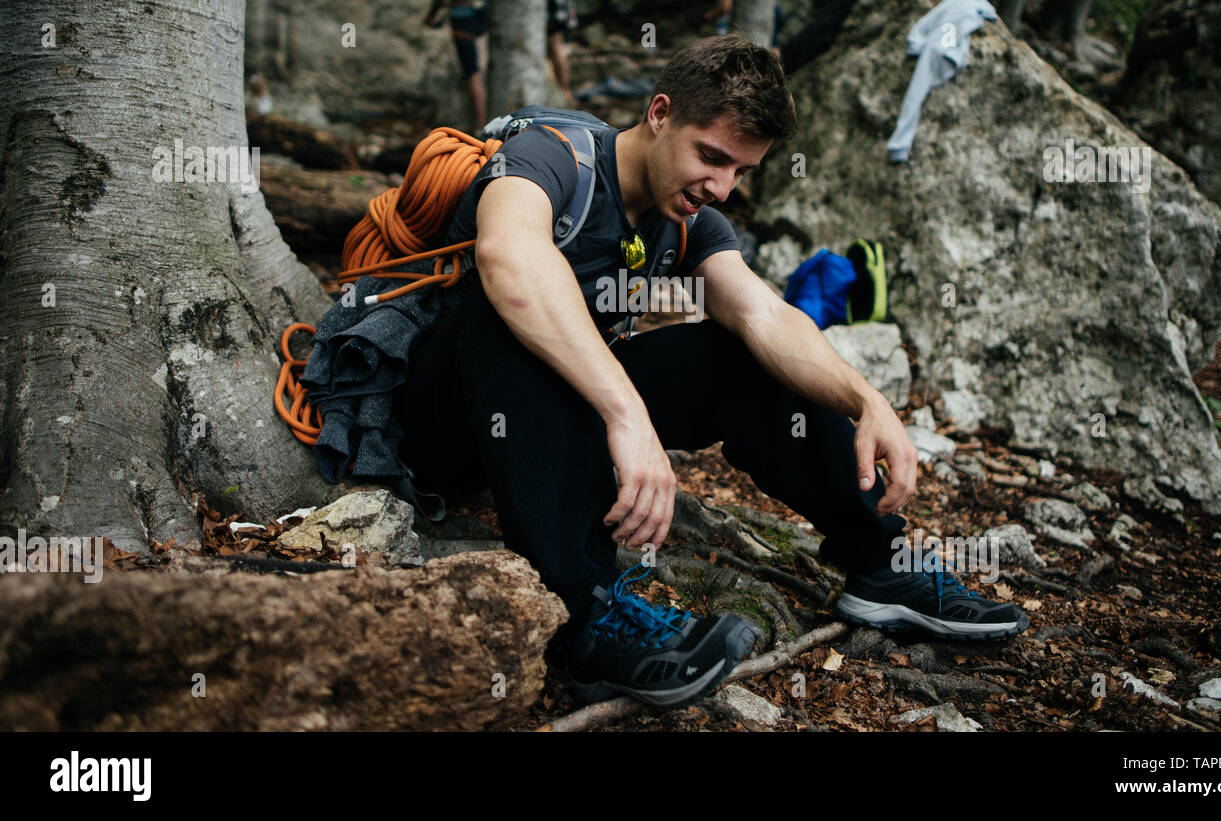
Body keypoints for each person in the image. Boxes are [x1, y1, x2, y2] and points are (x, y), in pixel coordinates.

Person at [394, 35, 1028, 710]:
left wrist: (866, 398)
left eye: (741, 172)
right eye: (712, 157)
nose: (721, 187)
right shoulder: (551, 156)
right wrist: (626, 413)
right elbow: (508, 257)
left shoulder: (688, 216)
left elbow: (763, 314)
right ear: (661, 114)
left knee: (737, 350)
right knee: (511, 314)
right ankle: (589, 621)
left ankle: (879, 562)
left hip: (545, 416)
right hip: (444, 419)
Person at [425, 0, 493, 131]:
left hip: (463, 18)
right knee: (474, 65)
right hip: (484, 18)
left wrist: (430, 16)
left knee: (471, 70)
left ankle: (481, 124)